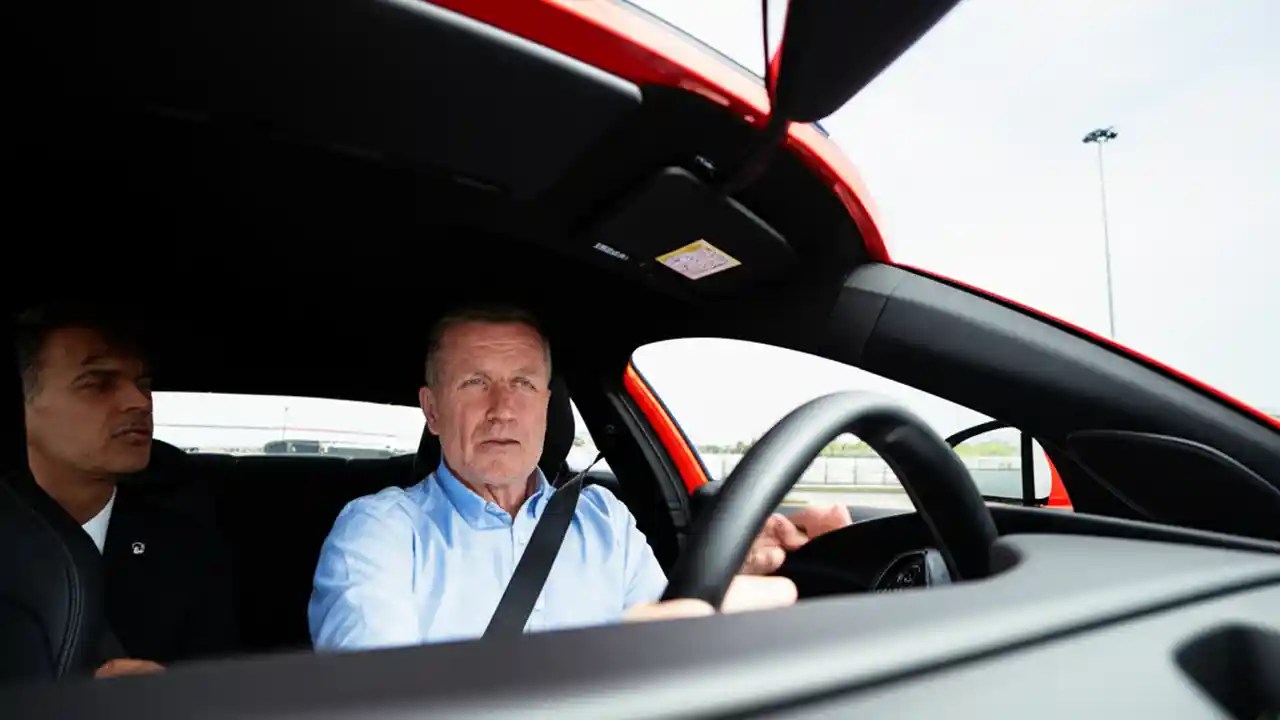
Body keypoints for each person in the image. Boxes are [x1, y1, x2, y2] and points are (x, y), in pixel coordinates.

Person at [308, 304, 849, 650]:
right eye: (474, 383)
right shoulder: (379, 531)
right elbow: (377, 702)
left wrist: (722, 567)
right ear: (432, 410)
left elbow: (667, 635)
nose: (502, 409)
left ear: (546, 407)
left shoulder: (605, 520)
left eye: (523, 384)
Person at [12, 303, 239, 678]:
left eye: (143, 384)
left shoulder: (186, 549)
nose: (140, 401)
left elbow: (224, 688)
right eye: (98, 383)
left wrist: (168, 697)